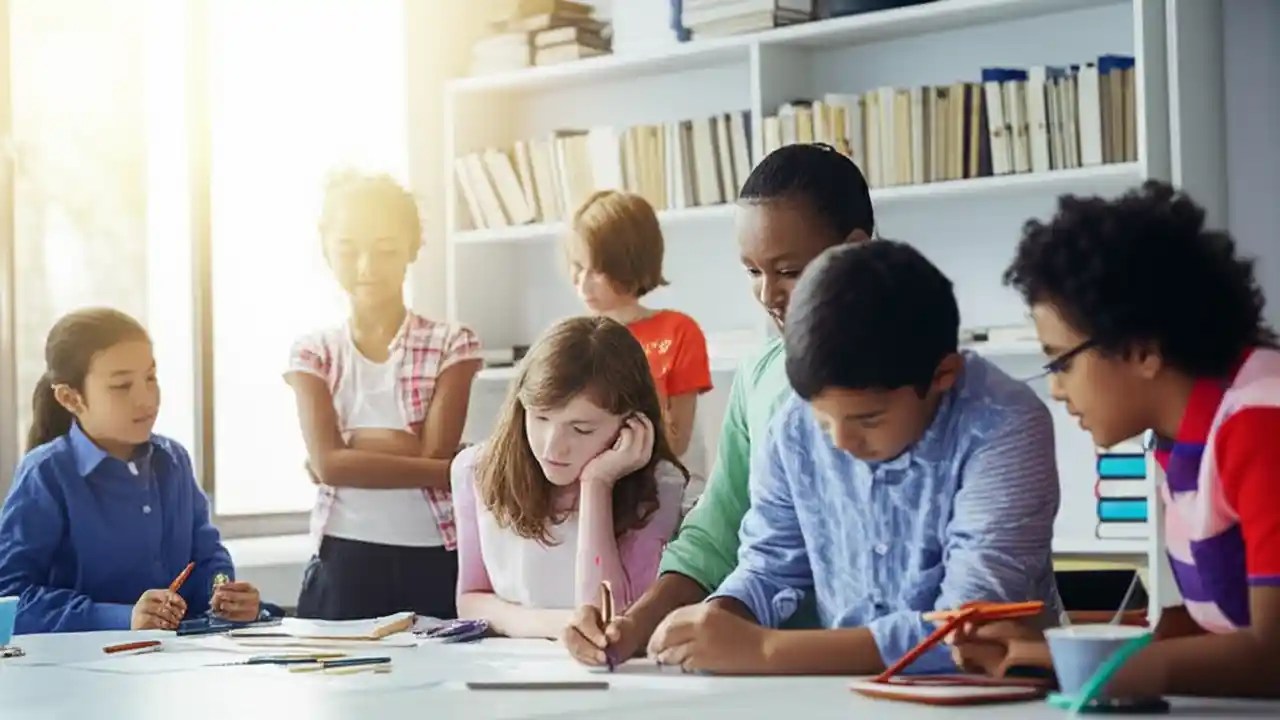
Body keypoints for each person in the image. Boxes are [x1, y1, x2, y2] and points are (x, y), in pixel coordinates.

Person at [646, 239, 1063, 674]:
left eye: (868, 419)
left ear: (943, 375)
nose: (840, 442)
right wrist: (715, 621)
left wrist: (764, 649)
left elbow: (970, 630)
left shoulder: (1004, 424)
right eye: (824, 421)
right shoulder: (793, 424)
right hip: (847, 696)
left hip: (992, 699)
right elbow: (769, 567)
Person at [950, 181, 1280, 698]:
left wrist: (1071, 663)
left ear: (1142, 350)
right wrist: (1050, 644)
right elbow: (1224, 627)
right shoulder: (1191, 434)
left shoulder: (1261, 423)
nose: (1056, 390)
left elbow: (1271, 654)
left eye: (1063, 362)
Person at [563, 144, 878, 666]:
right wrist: (636, 623)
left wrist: (761, 645)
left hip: (895, 672)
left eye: (789, 271)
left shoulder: (927, 378)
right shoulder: (762, 374)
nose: (767, 294)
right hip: (776, 676)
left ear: (855, 251)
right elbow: (724, 525)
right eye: (753, 271)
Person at [286, 171, 482, 621]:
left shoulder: (454, 342)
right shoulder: (313, 351)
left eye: (386, 250)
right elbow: (329, 464)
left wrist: (352, 447)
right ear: (326, 248)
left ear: (413, 248)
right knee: (340, 684)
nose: (366, 267)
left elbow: (435, 456)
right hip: (343, 556)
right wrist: (439, 464)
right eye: (349, 249)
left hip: (434, 556)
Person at [0, 308, 261, 634]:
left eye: (150, 378)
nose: (146, 399)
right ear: (71, 398)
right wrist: (123, 618)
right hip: (79, 673)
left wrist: (223, 594)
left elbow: (207, 556)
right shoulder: (46, 475)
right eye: (122, 386)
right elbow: (9, 600)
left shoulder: (174, 461)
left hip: (176, 664)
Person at [452, 316, 687, 638]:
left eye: (581, 429)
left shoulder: (660, 485)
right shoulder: (474, 469)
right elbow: (471, 601)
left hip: (615, 674)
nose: (552, 447)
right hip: (506, 666)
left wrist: (597, 484)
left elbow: (613, 619)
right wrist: (563, 625)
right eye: (541, 417)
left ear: (630, 425)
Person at [565, 190, 713, 509]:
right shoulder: (574, 342)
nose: (583, 283)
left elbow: (678, 442)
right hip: (593, 498)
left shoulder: (678, 331)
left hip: (668, 495)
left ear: (631, 264)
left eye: (598, 270)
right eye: (578, 266)